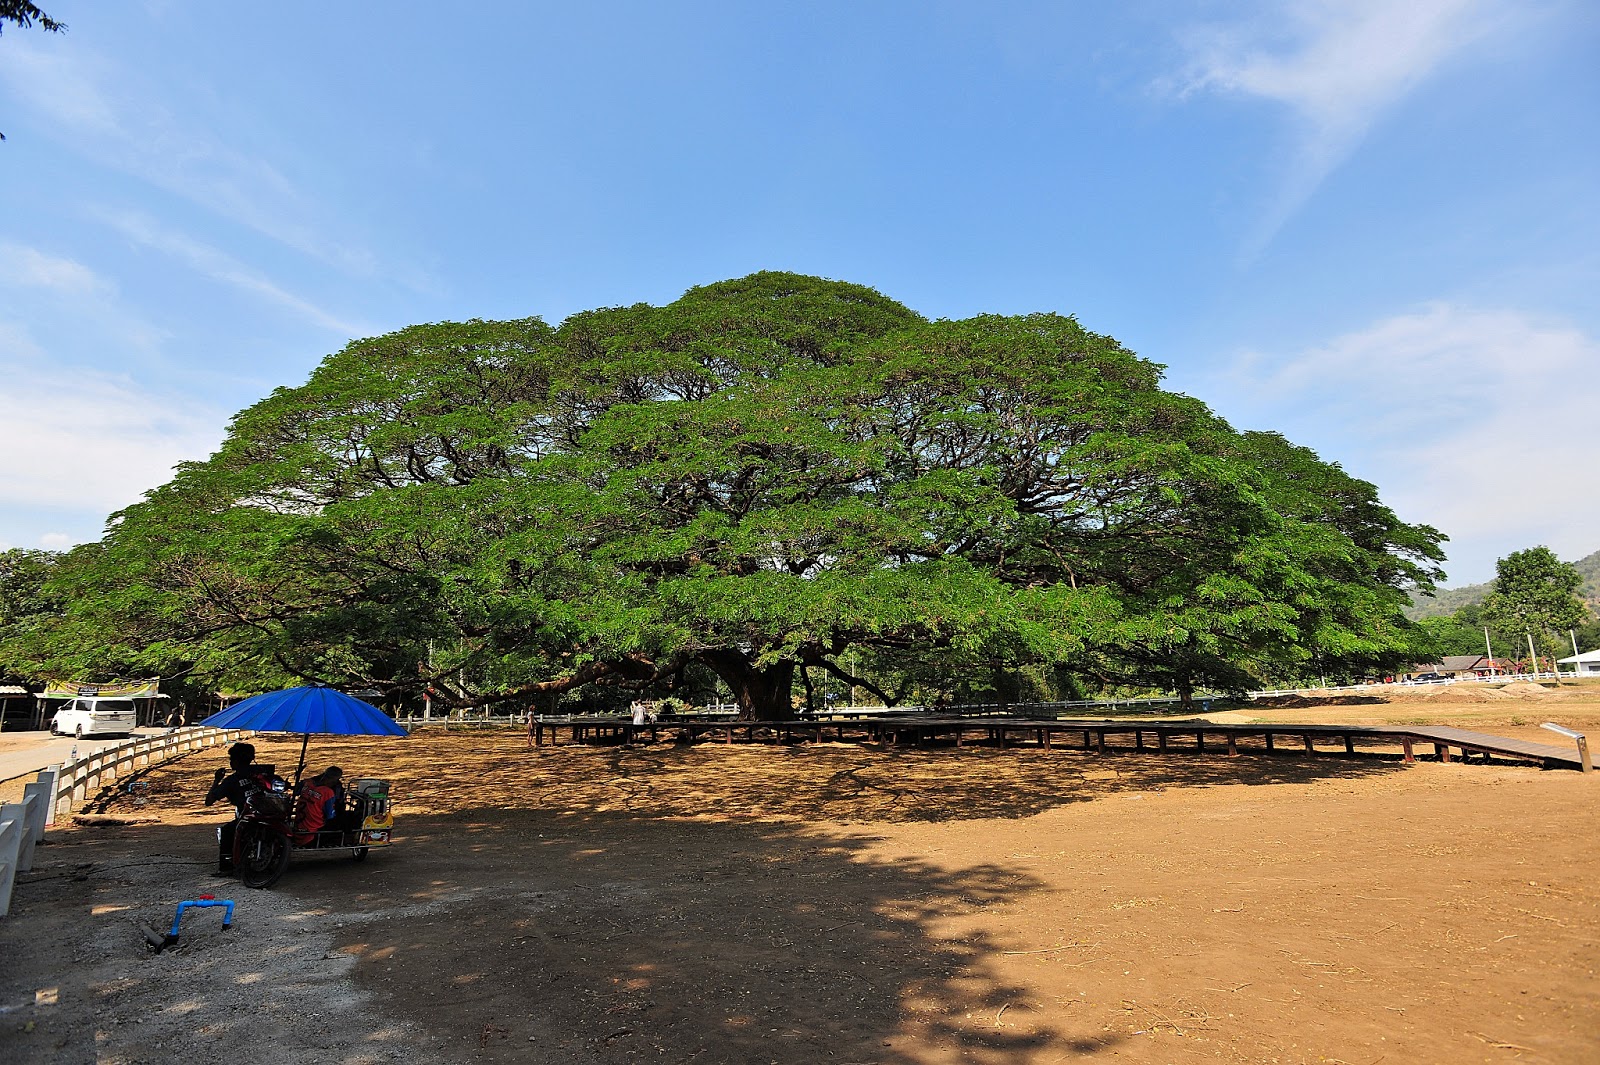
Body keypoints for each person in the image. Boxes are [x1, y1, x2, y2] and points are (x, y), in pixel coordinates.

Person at [205, 741, 259, 874]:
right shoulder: (262, 773)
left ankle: (227, 865)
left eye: (231, 759)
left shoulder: (231, 781)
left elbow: (209, 801)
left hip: (248, 817)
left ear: (235, 761)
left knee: (226, 831)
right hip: (268, 812)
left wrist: (216, 780)